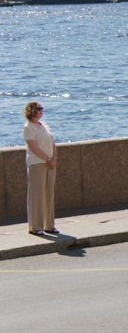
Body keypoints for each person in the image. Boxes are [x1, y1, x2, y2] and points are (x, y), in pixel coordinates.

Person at [22, 100, 58, 235]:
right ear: (31, 111)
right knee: (36, 195)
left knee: (49, 194)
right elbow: (33, 147)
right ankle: (35, 227)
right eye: (39, 108)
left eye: (42, 108)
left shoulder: (44, 125)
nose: (41, 110)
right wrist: (47, 159)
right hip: (37, 163)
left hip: (50, 163)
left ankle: (49, 225)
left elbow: (52, 142)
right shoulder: (28, 127)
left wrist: (54, 158)